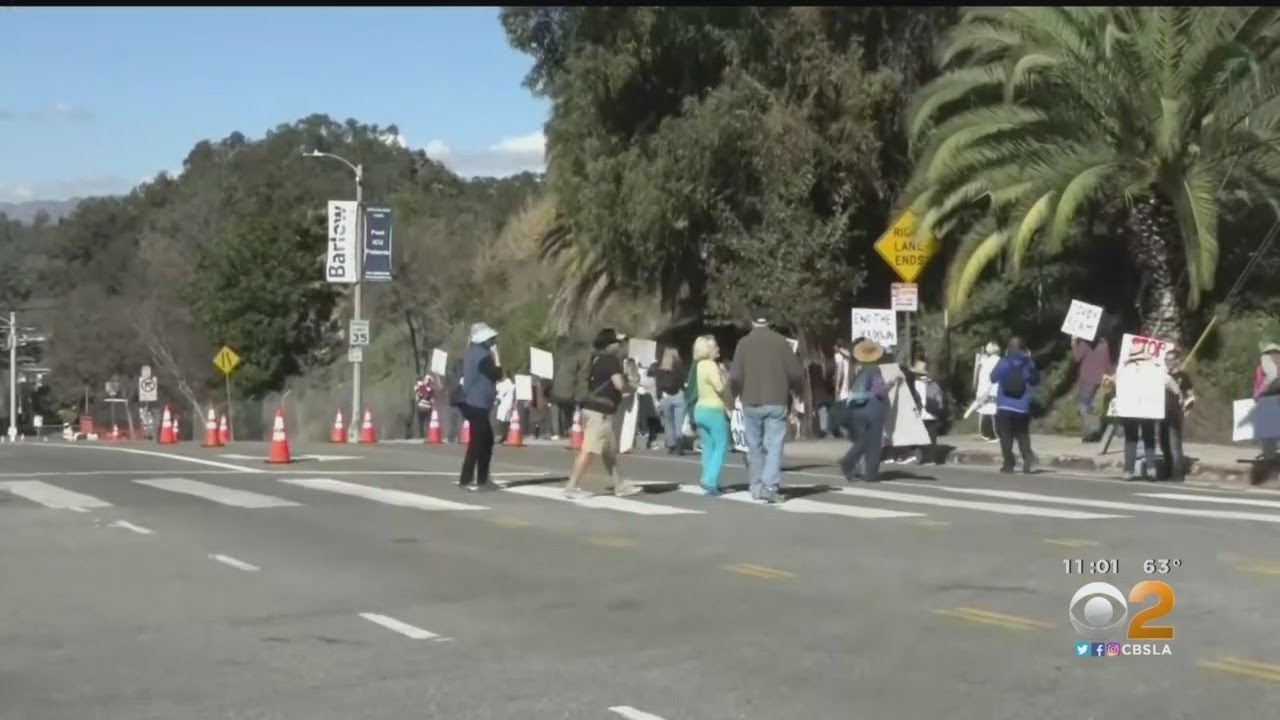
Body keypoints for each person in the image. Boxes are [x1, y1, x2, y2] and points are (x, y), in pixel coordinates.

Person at [729, 309, 804, 504]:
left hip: (751, 400)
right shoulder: (781, 342)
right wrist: (796, 392)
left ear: (752, 322)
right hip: (777, 400)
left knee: (754, 446)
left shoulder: (744, 343)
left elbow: (735, 376)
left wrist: (732, 398)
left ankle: (756, 486)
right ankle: (770, 486)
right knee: (774, 445)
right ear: (769, 322)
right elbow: (795, 373)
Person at [563, 329, 641, 499]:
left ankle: (620, 485)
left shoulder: (596, 359)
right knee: (588, 450)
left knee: (608, 453)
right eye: (616, 342)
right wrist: (631, 386)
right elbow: (619, 385)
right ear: (608, 344)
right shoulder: (611, 360)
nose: (619, 345)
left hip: (593, 409)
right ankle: (571, 487)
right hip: (600, 413)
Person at [838, 339, 894, 482]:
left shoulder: (858, 370)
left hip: (857, 409)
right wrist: (891, 385)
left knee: (864, 440)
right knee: (874, 442)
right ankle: (869, 472)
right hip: (873, 409)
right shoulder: (875, 370)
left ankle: (849, 461)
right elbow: (879, 392)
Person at [458, 323, 502, 491]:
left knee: (483, 440)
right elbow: (497, 373)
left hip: (474, 403)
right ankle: (473, 479)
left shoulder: (472, 352)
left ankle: (476, 478)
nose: (493, 342)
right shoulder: (482, 356)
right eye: (491, 339)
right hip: (477, 404)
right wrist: (497, 355)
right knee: (479, 442)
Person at [990, 336, 1040, 474]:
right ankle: (1027, 459)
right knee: (1022, 435)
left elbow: (993, 378)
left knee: (1005, 436)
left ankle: (1008, 464)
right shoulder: (1027, 363)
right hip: (1022, 407)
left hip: (1004, 405)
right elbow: (1034, 380)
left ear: (1009, 348)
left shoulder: (1004, 362)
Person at [690, 334, 730, 494]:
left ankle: (706, 479)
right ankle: (710, 480)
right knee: (721, 445)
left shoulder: (699, 365)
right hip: (713, 410)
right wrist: (724, 374)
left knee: (708, 447)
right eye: (714, 347)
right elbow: (720, 387)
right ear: (707, 350)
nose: (718, 349)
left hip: (700, 409)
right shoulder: (712, 365)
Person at [1159, 347, 1194, 481]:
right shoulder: (1162, 376)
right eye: (1166, 359)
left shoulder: (1183, 377)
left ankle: (1177, 473)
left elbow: (1191, 395)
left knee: (1175, 445)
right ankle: (1167, 470)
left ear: (1177, 361)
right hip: (1162, 413)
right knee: (1164, 444)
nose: (1167, 362)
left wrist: (1187, 409)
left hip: (1175, 413)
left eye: (1170, 359)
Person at [1072, 335, 1113, 442]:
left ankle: (1093, 430)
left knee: (1083, 406)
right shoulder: (1103, 343)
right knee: (1091, 406)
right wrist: (1110, 375)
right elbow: (1107, 361)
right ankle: (1093, 431)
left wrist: (1073, 342)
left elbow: (1076, 357)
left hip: (1088, 377)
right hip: (1100, 378)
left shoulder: (1085, 343)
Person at [654, 348, 687, 455]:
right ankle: (679, 442)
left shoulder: (660, 369)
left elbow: (658, 384)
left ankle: (671, 445)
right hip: (678, 394)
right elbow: (683, 380)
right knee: (679, 421)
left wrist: (659, 397)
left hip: (666, 396)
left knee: (668, 422)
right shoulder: (679, 366)